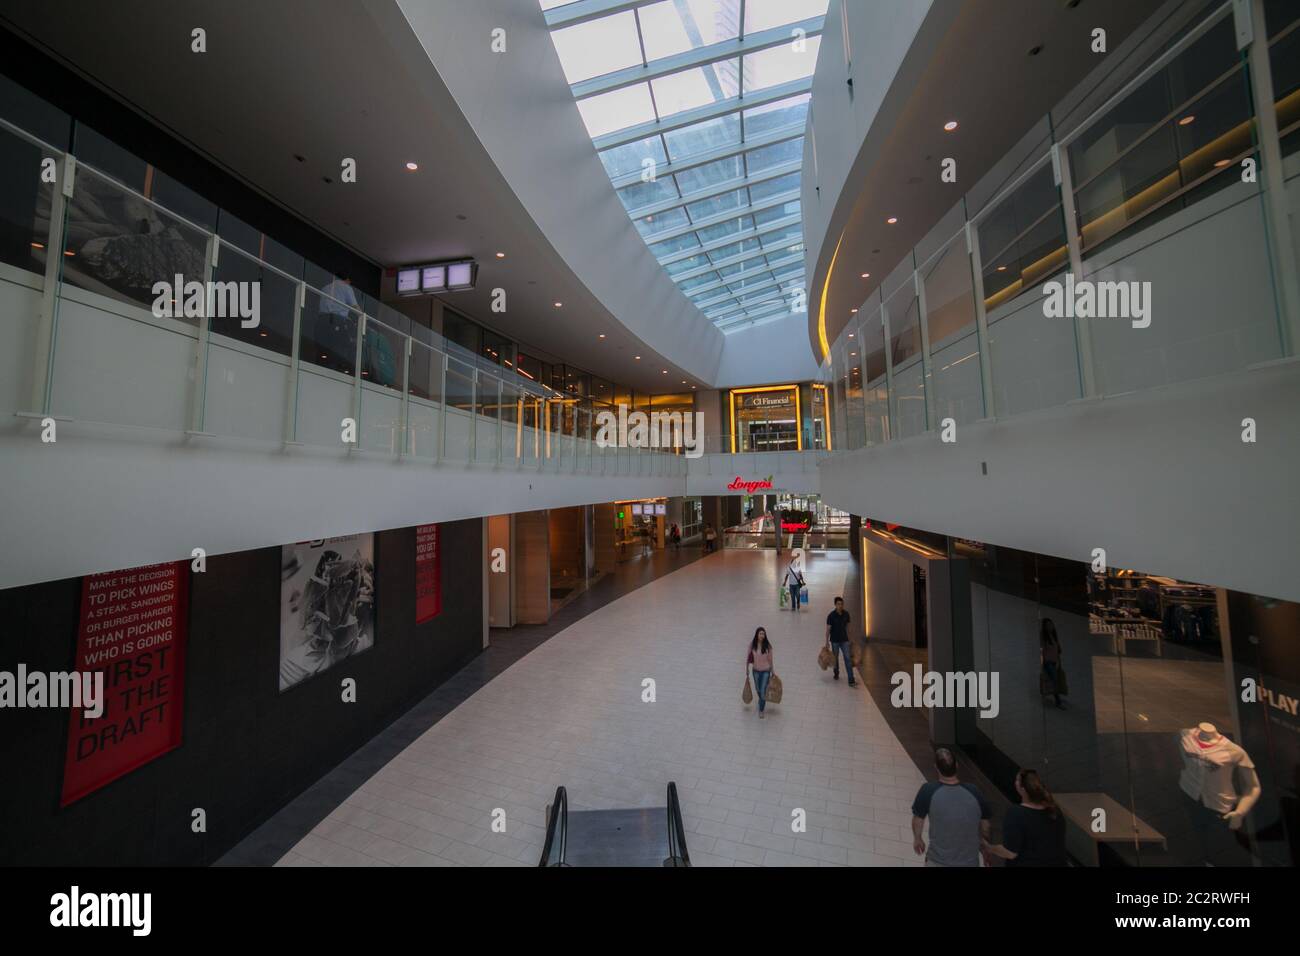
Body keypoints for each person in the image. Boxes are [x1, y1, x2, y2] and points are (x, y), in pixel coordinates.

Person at [911, 748, 992, 867]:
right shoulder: (974, 791)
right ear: (957, 766)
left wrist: (917, 838)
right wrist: (986, 847)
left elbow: (918, 819)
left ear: (936, 768)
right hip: (969, 862)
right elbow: (986, 825)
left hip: (938, 861)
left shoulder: (928, 790)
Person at [982, 768, 1067, 867]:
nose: (1015, 782)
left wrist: (990, 848)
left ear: (1022, 789)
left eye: (1017, 780)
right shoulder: (1054, 809)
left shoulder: (1016, 813)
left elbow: (1010, 853)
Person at [825, 596, 856, 686]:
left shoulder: (846, 614)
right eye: (838, 604)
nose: (840, 606)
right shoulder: (831, 616)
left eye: (842, 604)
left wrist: (850, 639)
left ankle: (851, 679)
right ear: (835, 605)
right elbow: (828, 630)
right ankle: (836, 672)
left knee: (847, 658)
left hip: (844, 640)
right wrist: (827, 642)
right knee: (836, 659)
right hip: (834, 641)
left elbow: (848, 627)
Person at [746, 627, 774, 719]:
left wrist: (772, 671)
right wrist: (746, 669)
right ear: (757, 635)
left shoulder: (768, 646)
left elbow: (770, 660)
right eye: (760, 633)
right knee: (758, 688)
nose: (762, 635)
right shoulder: (752, 645)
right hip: (755, 671)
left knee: (762, 691)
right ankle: (761, 700)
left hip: (766, 671)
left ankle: (761, 710)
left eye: (763, 634)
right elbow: (748, 657)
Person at [1040, 617, 1064, 708]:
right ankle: (1058, 701)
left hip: (1055, 661)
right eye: (1048, 625)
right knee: (1054, 680)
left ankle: (1046, 692)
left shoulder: (1054, 636)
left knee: (1053, 679)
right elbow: (1042, 649)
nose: (1050, 626)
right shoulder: (1044, 636)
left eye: (1051, 624)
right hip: (1048, 662)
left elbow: (1058, 650)